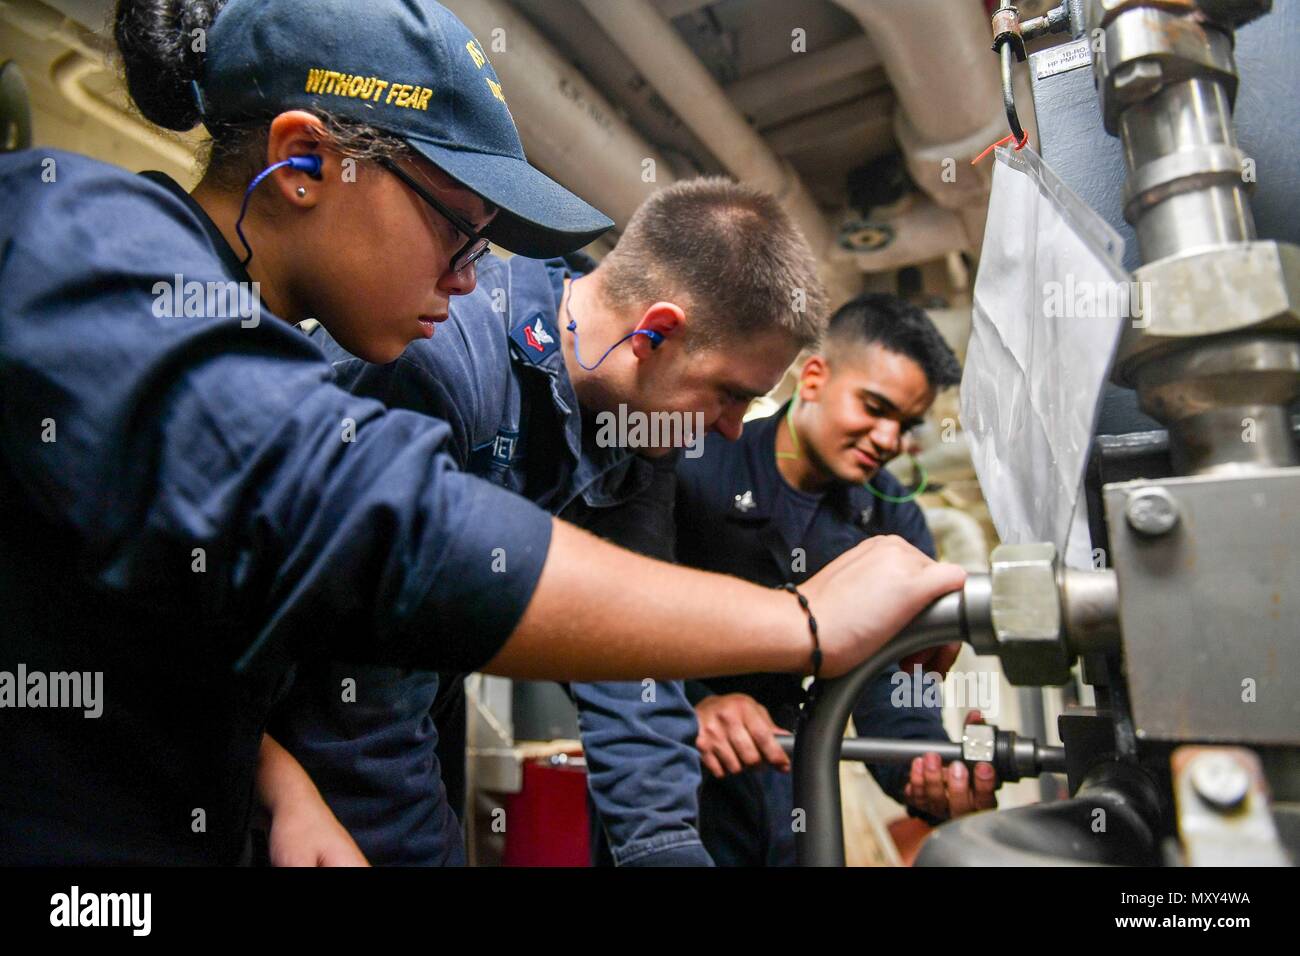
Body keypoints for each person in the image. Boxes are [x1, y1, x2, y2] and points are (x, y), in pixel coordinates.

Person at [0, 0, 964, 865]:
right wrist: (800, 626)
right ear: (304, 163)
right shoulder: (77, 227)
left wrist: (274, 782)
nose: (468, 276)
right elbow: (378, 532)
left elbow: (173, 617)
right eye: (458, 228)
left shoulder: (267, 350)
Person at [271, 177, 826, 867]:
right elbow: (358, 713)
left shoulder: (644, 426)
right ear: (655, 331)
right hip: (267, 742)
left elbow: (631, 658)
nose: (733, 430)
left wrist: (666, 851)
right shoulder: (439, 363)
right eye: (730, 395)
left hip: (412, 714)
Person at [675, 293, 997, 866]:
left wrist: (928, 772)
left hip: (796, 794)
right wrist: (686, 706)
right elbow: (601, 628)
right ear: (816, 377)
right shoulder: (693, 469)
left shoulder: (894, 523)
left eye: (905, 424)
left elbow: (896, 690)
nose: (889, 439)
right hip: (673, 789)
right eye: (875, 407)